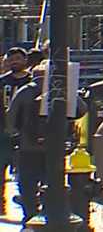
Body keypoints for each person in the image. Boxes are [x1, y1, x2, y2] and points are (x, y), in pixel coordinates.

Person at [7, 62, 46, 224]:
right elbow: (82, 108)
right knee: (52, 182)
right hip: (53, 148)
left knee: (27, 183)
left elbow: (11, 116)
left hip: (27, 145)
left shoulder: (25, 91)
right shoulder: (61, 90)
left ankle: (30, 216)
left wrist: (14, 133)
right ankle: (48, 212)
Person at [0, 47, 30, 215]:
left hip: (25, 132)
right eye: (11, 59)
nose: (14, 62)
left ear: (25, 60)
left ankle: (27, 201)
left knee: (24, 170)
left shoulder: (32, 82)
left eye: (18, 58)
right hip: (3, 132)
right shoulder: (2, 82)